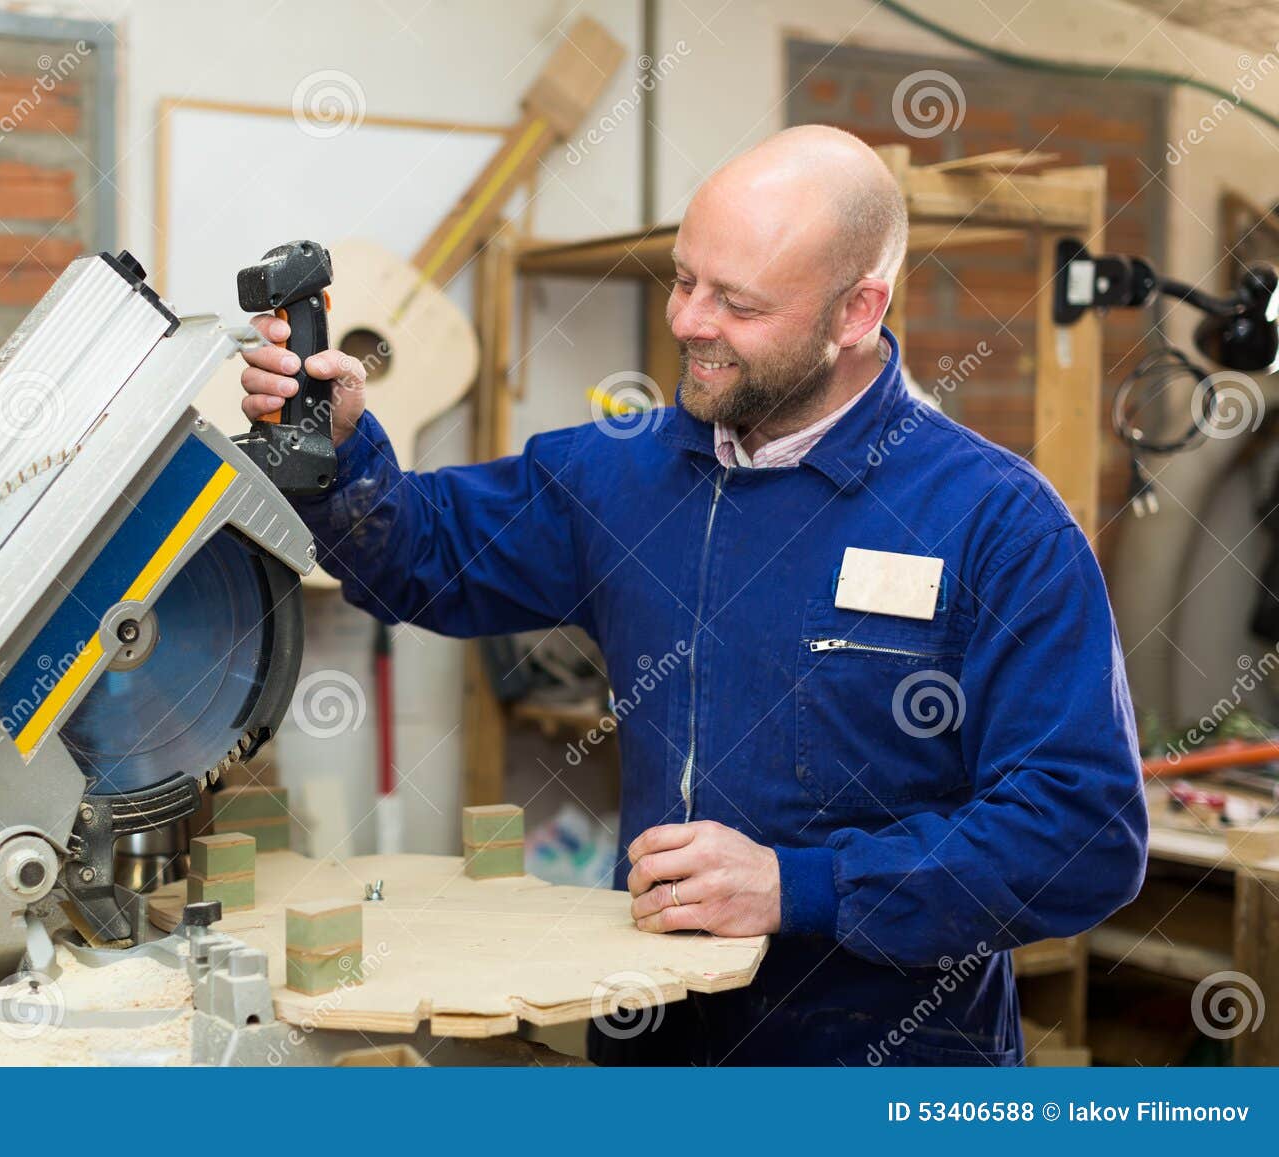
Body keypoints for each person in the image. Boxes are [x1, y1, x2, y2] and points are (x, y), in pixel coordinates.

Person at [238, 124, 1147, 1066]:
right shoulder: (625, 474)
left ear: (857, 311)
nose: (688, 321)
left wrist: (801, 886)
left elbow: (1084, 834)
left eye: (738, 303)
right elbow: (422, 554)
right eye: (683, 280)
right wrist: (337, 444)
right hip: (655, 1044)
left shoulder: (995, 522)